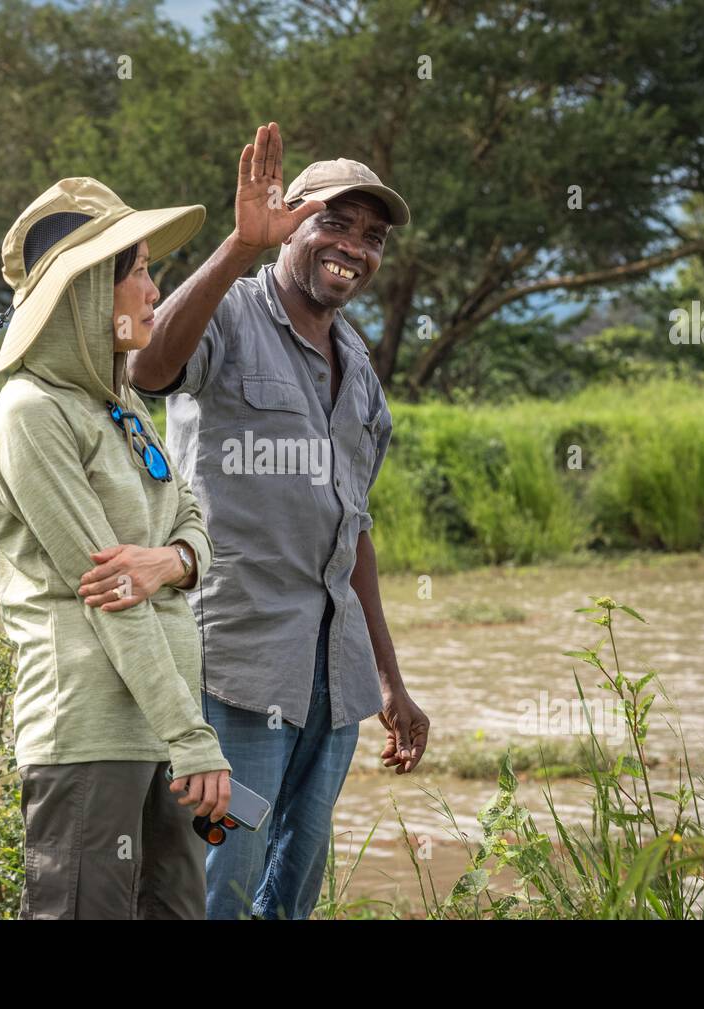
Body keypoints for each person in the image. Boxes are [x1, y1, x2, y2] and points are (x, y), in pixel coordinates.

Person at [128, 123, 431, 920]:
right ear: (288, 220)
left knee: (295, 881)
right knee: (223, 879)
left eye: (371, 238)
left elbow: (353, 532)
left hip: (334, 686)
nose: (354, 249)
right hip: (235, 672)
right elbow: (149, 368)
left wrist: (392, 683)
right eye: (334, 222)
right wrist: (237, 245)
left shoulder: (359, 367)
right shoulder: (229, 316)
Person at [0, 177, 233, 919]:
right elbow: (111, 597)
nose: (156, 290)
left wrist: (173, 561)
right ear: (90, 289)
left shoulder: (121, 403)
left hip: (167, 729)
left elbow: (192, 519)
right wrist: (194, 738)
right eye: (141, 270)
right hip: (91, 736)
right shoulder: (32, 413)